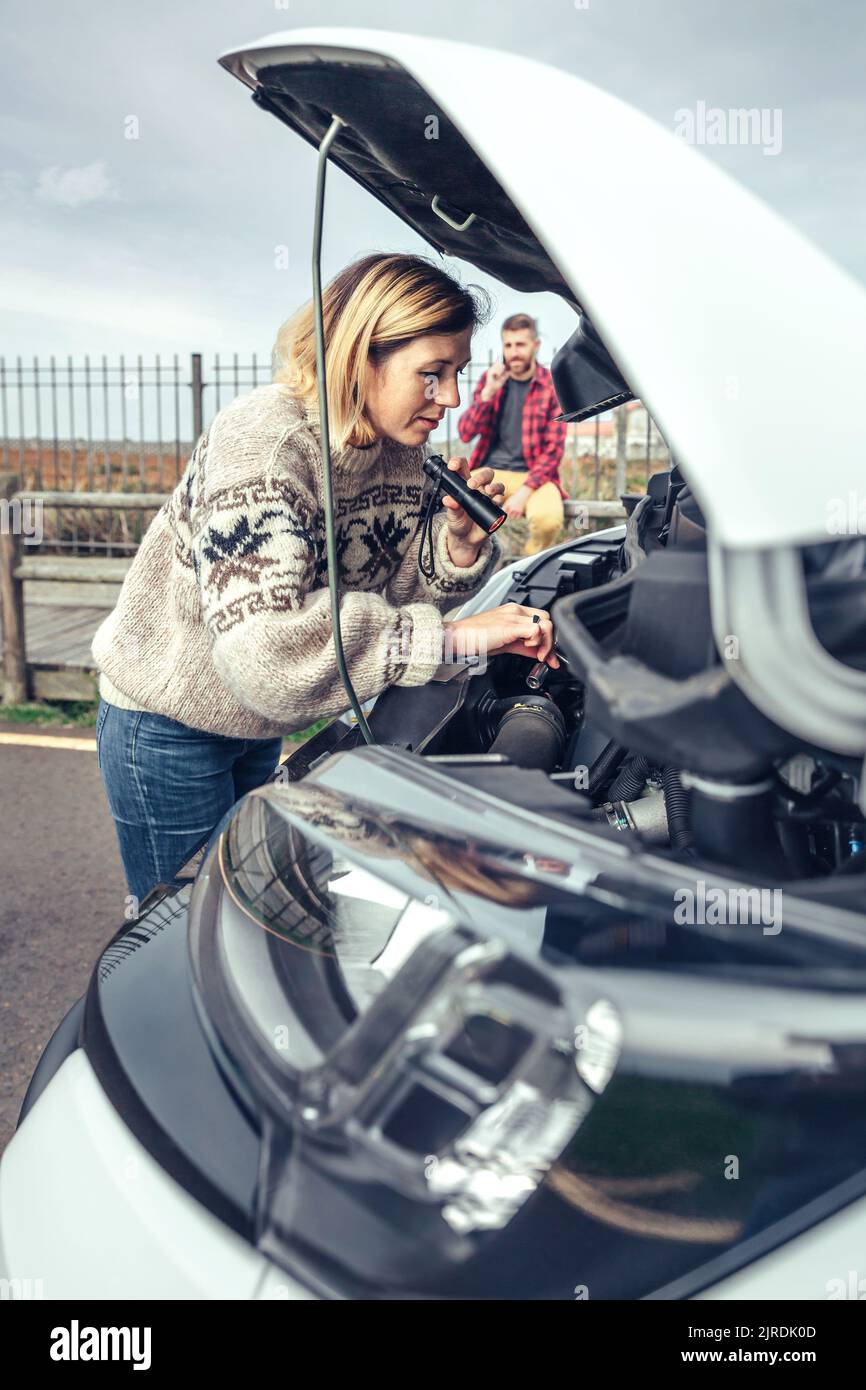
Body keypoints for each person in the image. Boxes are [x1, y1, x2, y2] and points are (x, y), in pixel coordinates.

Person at [92, 253, 560, 905]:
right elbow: (269, 658)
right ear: (358, 354)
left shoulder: (401, 454)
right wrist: (457, 640)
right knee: (188, 921)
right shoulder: (266, 445)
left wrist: (453, 542)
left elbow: (393, 595)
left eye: (457, 374)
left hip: (259, 721)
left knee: (253, 896)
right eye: (432, 373)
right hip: (171, 722)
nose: (451, 398)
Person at [457, 313, 568, 556]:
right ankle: (477, 565)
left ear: (535, 346)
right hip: (491, 471)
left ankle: (526, 565)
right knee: (458, 506)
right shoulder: (492, 379)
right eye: (508, 345)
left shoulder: (551, 385)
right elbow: (465, 433)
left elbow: (554, 450)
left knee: (548, 520)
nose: (514, 351)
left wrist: (524, 493)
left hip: (535, 478)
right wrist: (487, 395)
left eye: (521, 344)